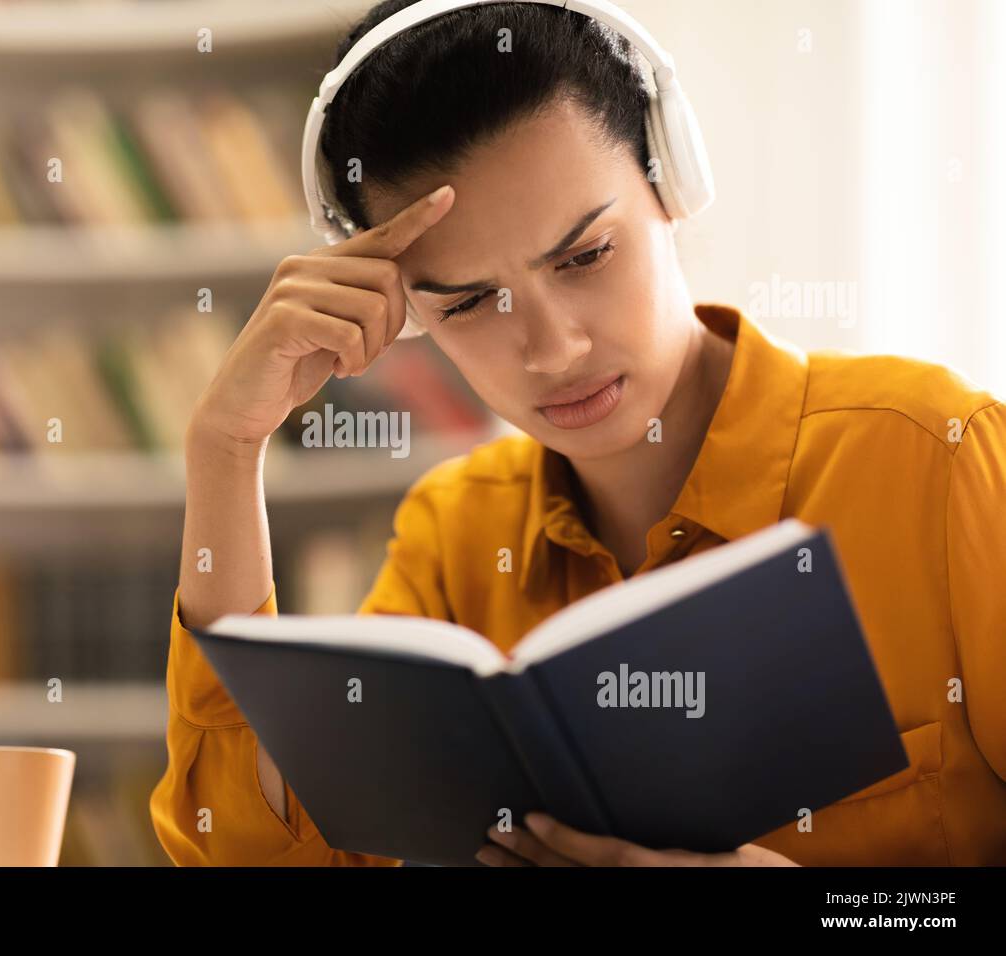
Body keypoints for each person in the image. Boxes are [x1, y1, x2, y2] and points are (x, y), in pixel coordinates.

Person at [150, 0, 1006, 866]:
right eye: (471, 302)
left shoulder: (939, 461)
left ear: (672, 182)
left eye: (586, 255)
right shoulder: (455, 540)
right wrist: (226, 451)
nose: (554, 350)